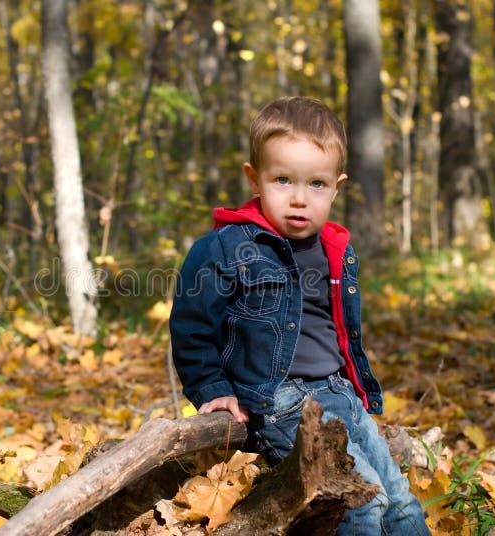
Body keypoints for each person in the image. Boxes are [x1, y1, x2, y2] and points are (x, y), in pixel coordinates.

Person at [169, 96, 430, 534]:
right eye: (283, 180)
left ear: (337, 187)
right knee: (361, 501)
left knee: (400, 501)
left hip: (341, 393)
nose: (298, 199)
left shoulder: (336, 249)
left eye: (316, 185)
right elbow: (192, 326)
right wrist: (212, 388)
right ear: (255, 178)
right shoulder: (228, 248)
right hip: (281, 402)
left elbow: (340, 332)